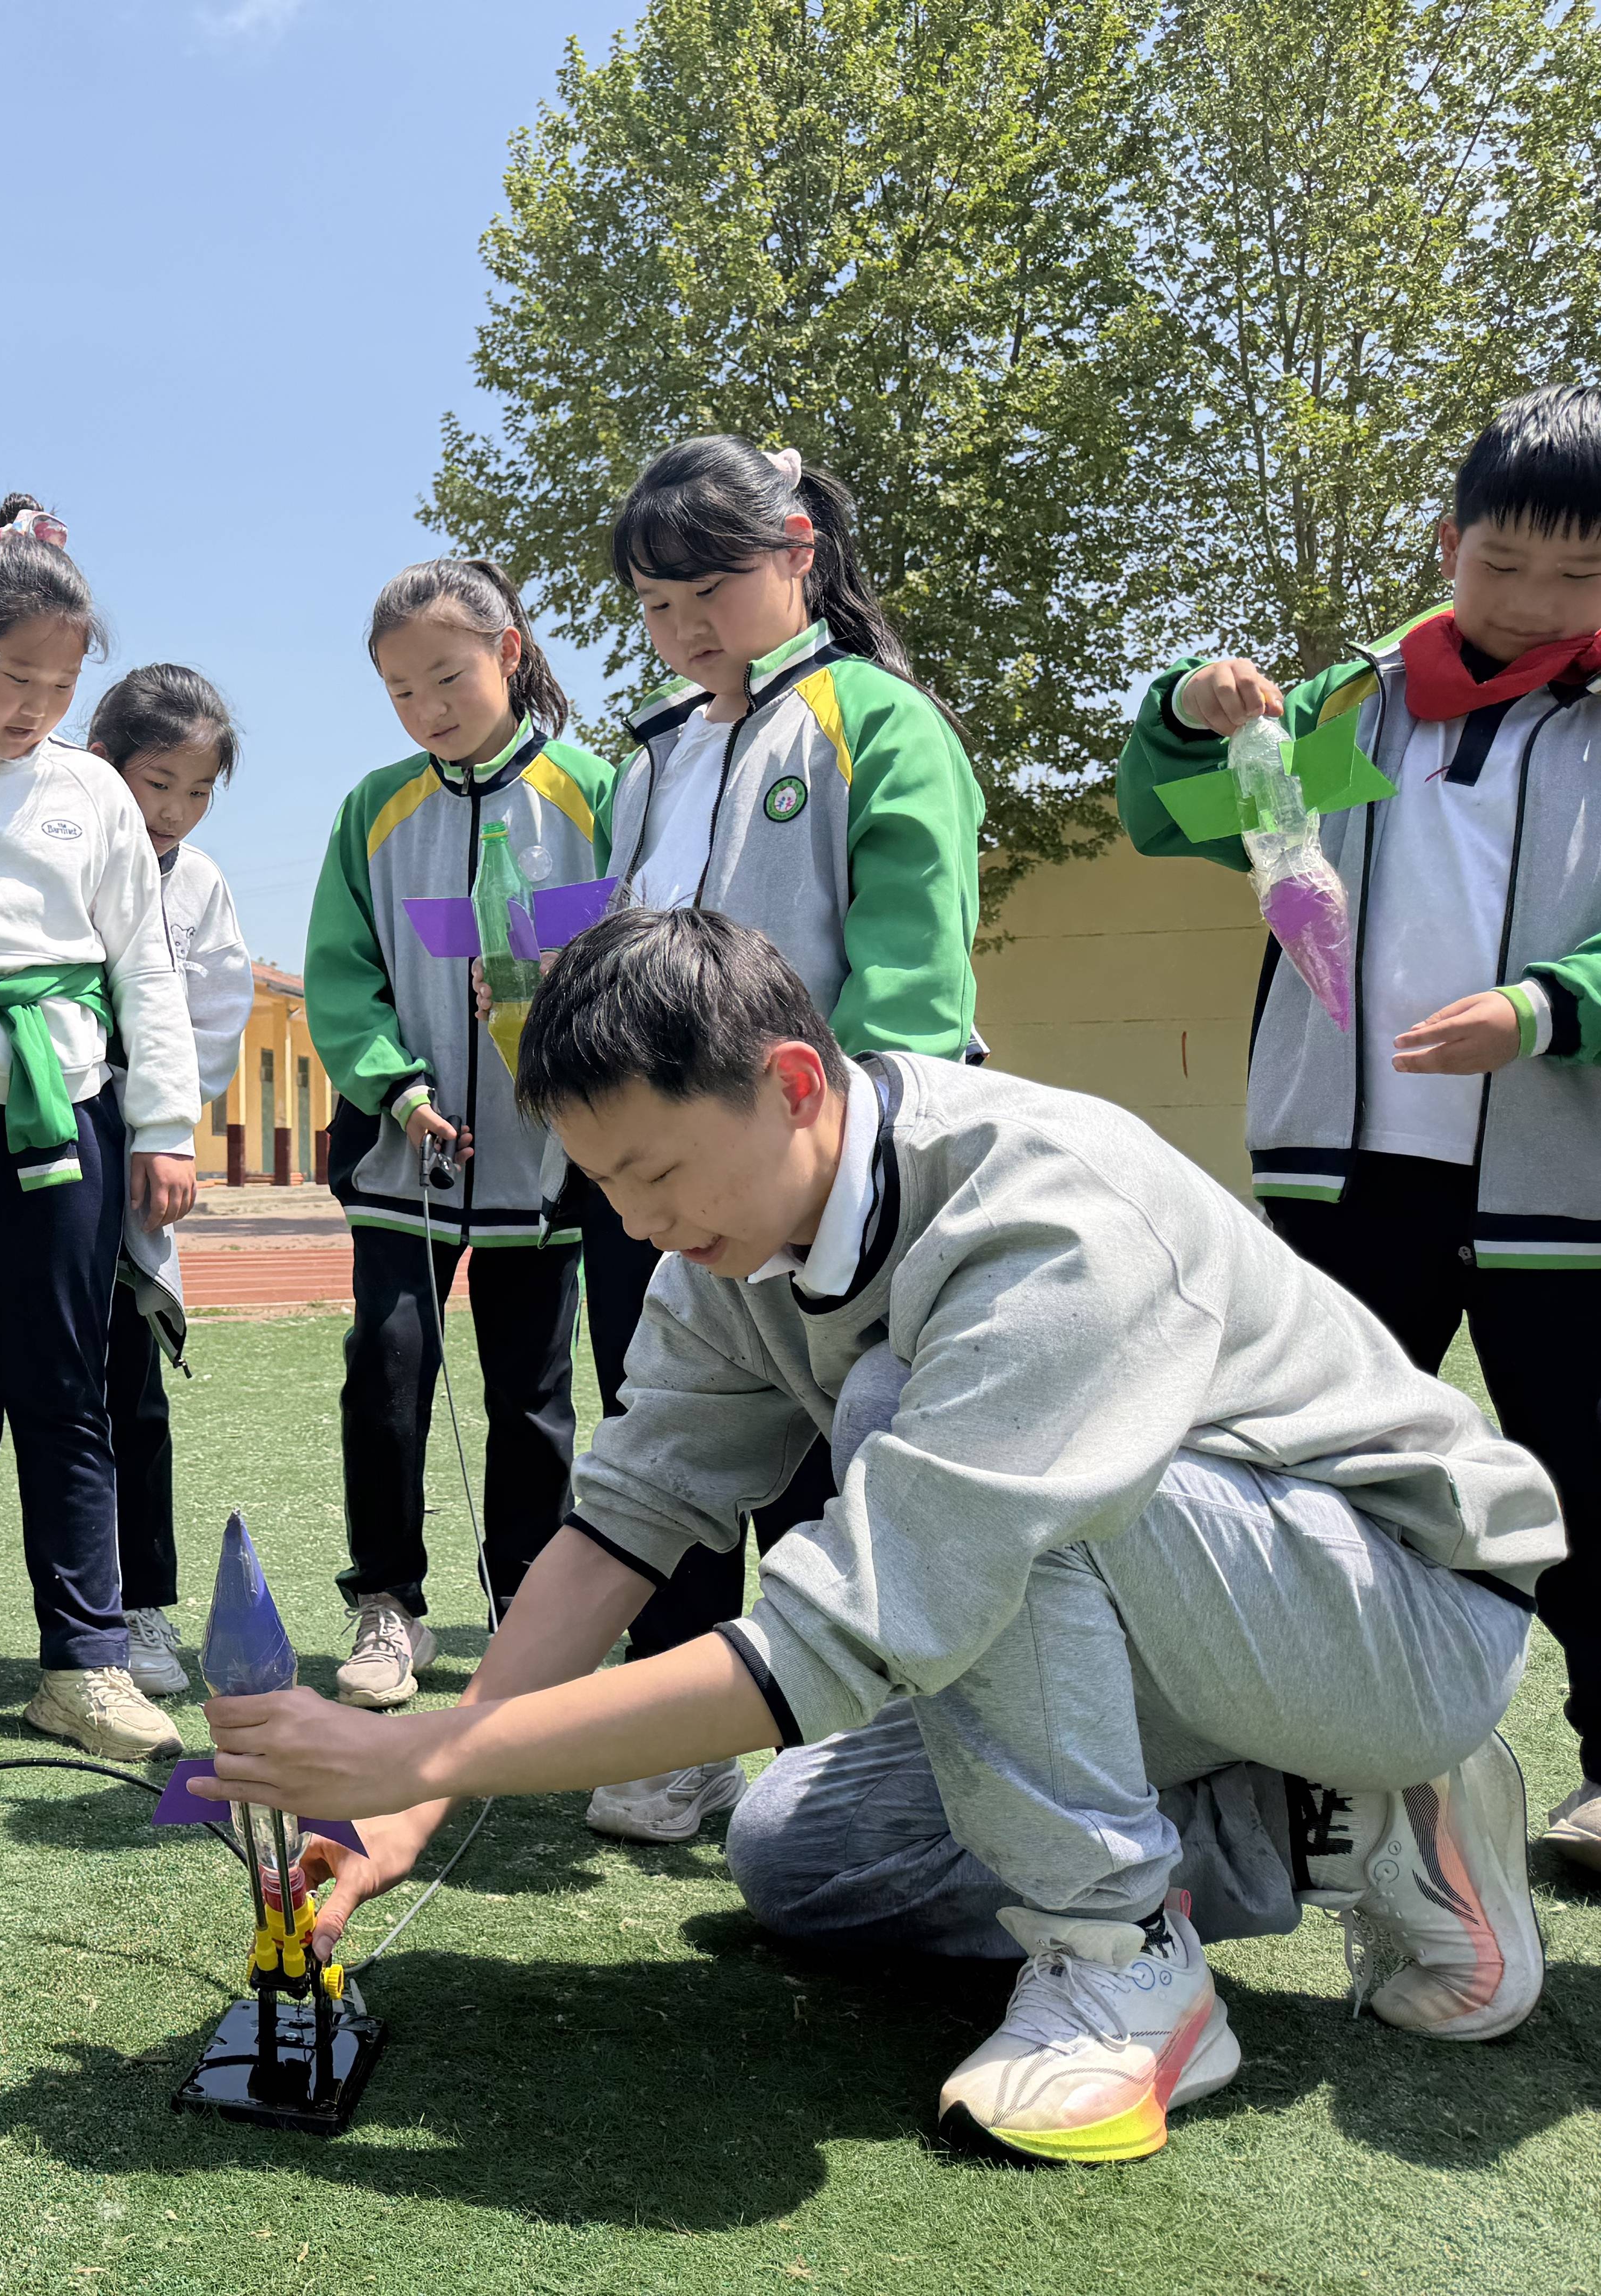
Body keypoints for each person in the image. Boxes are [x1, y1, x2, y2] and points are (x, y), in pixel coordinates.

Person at [201, 907, 1559, 2166]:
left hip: (1402, 1620)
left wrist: (422, 1742)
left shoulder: (1043, 1212)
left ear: (795, 1084)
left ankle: (1129, 1966)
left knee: (910, 1431)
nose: (638, 1223)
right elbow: (626, 1523)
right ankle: (1329, 1823)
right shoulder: (728, 1255)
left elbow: (861, 1622)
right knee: (800, 1854)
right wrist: (412, 1804)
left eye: (657, 1171)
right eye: (605, 1186)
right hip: (1209, 1638)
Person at [1118, 382, 1601, 1868]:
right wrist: (1187, 715)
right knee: (1318, 1471)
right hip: (1349, 1167)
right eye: (1502, 563)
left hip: (1554, 1183)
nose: (1531, 602)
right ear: (1446, 540)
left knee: (1581, 1477)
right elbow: (1189, 820)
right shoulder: (1367, 708)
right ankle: (1298, 1762)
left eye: (1580, 576)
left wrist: (1538, 1011)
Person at [581, 436, 986, 1846]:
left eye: (711, 585)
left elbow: (917, 982)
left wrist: (864, 1161)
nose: (685, 624)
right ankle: (681, 1740)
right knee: (673, 1441)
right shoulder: (649, 757)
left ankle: (864, 1755)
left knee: (841, 1464)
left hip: (828, 1179)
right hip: (664, 1173)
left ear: (797, 552)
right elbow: (604, 935)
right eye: (653, 601)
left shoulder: (881, 720)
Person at [0, 497, 203, 1765]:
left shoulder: (97, 798)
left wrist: (165, 1127)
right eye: (14, 678)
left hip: (67, 1117)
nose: (33, 709)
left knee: (69, 1389)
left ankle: (88, 1661)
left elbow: (148, 968)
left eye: (61, 687)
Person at [305, 556, 614, 1709]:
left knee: (532, 1402)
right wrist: (393, 1086)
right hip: (407, 1161)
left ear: (511, 655)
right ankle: (386, 1607)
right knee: (386, 1375)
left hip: (549, 1164)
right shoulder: (372, 810)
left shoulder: (600, 794)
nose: (428, 709)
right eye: (401, 691)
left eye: (448, 677)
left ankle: (526, 1612)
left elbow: (632, 955)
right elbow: (343, 979)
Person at [0, 664, 256, 1697]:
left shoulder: (200, 884)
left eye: (195, 792)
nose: (170, 812)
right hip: (33, 1135)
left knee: (123, 1388)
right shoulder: (48, 833)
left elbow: (209, 1016)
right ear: (101, 761)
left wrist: (154, 1116)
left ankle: (139, 1608)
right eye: (154, 783)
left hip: (125, 1165)